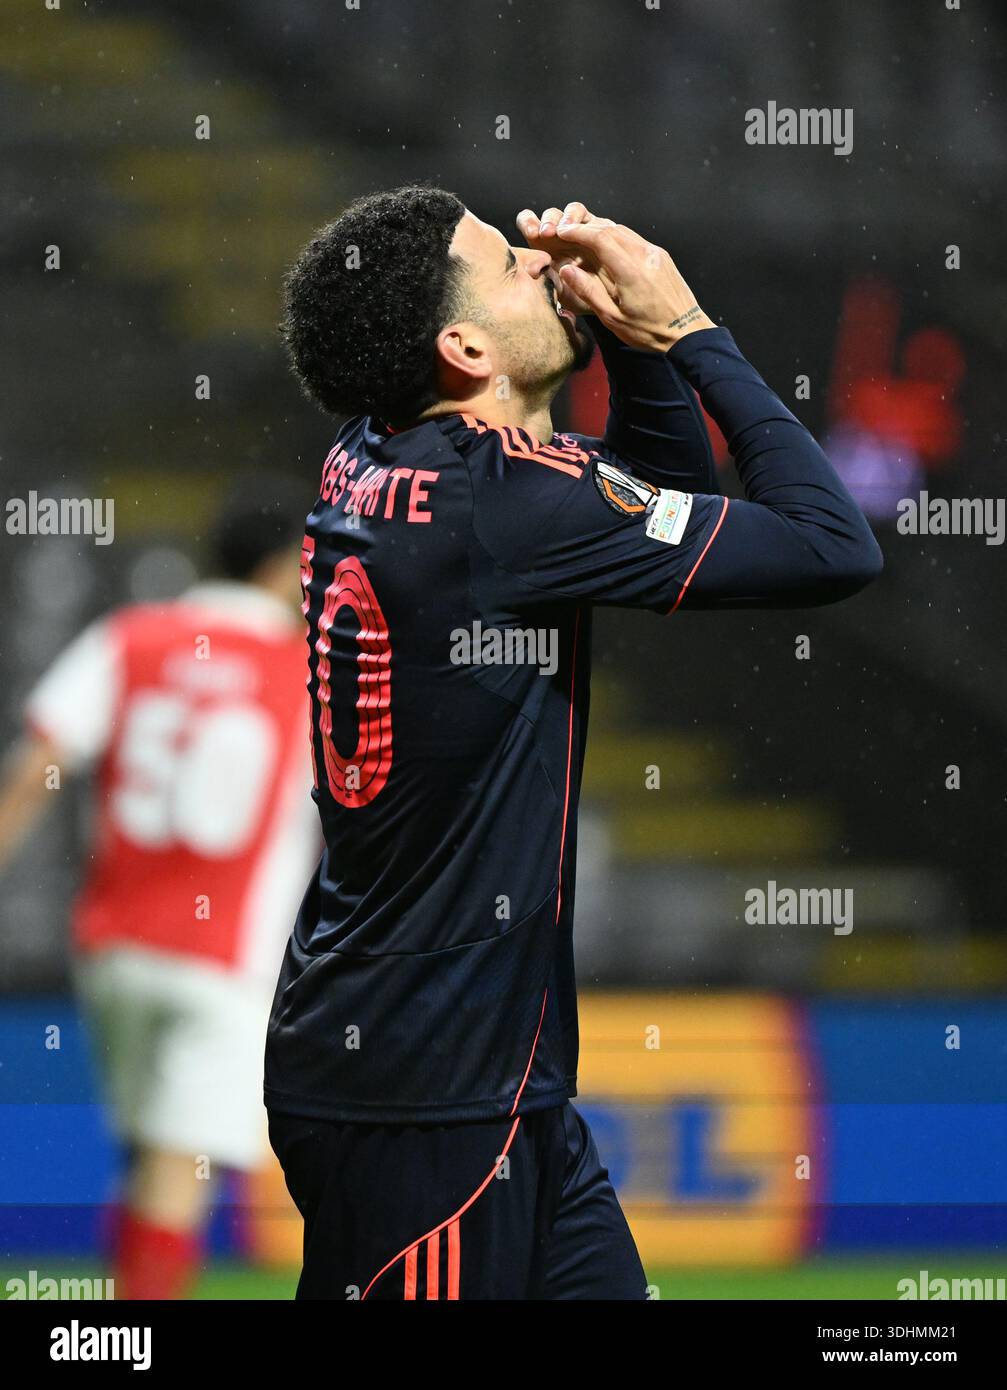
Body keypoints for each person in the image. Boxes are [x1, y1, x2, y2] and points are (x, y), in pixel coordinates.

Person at [266, 187, 883, 1300]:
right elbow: (828, 544)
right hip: (425, 1098)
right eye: (508, 265)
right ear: (459, 348)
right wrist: (689, 331)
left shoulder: (376, 455)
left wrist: (628, 354)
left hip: (477, 1077)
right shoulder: (505, 508)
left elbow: (651, 510)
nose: (542, 266)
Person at [0, 478, 317, 1299]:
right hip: (223, 960)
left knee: (150, 1153)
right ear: (286, 567)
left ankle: (109, 1326)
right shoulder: (308, 672)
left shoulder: (132, 637)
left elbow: (38, 763)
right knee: (180, 1169)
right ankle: (131, 1338)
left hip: (112, 944)